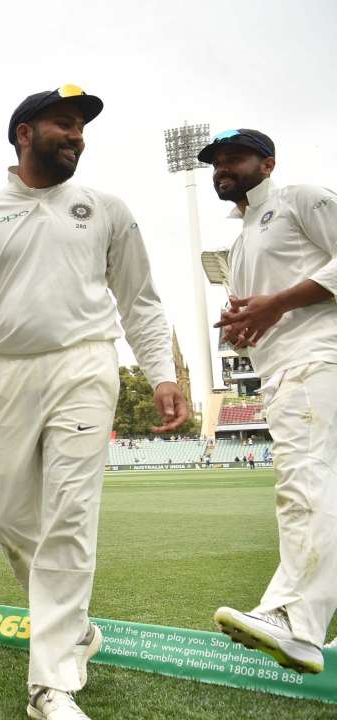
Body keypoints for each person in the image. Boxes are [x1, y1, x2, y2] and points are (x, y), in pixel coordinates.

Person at [0, 85, 188, 720]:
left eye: (82, 127)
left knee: (69, 515)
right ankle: (75, 629)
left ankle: (51, 684)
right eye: (64, 123)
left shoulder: (106, 209)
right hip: (4, 373)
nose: (77, 136)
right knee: (9, 521)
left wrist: (161, 373)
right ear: (24, 134)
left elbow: (139, 299)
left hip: (84, 365)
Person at [200, 128, 337, 676]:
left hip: (317, 358)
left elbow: (281, 303)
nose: (222, 168)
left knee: (304, 485)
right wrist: (242, 326)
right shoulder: (240, 243)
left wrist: (275, 304)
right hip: (284, 368)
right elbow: (258, 313)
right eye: (216, 162)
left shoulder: (300, 199)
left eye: (235, 157)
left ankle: (297, 624)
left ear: (268, 163)